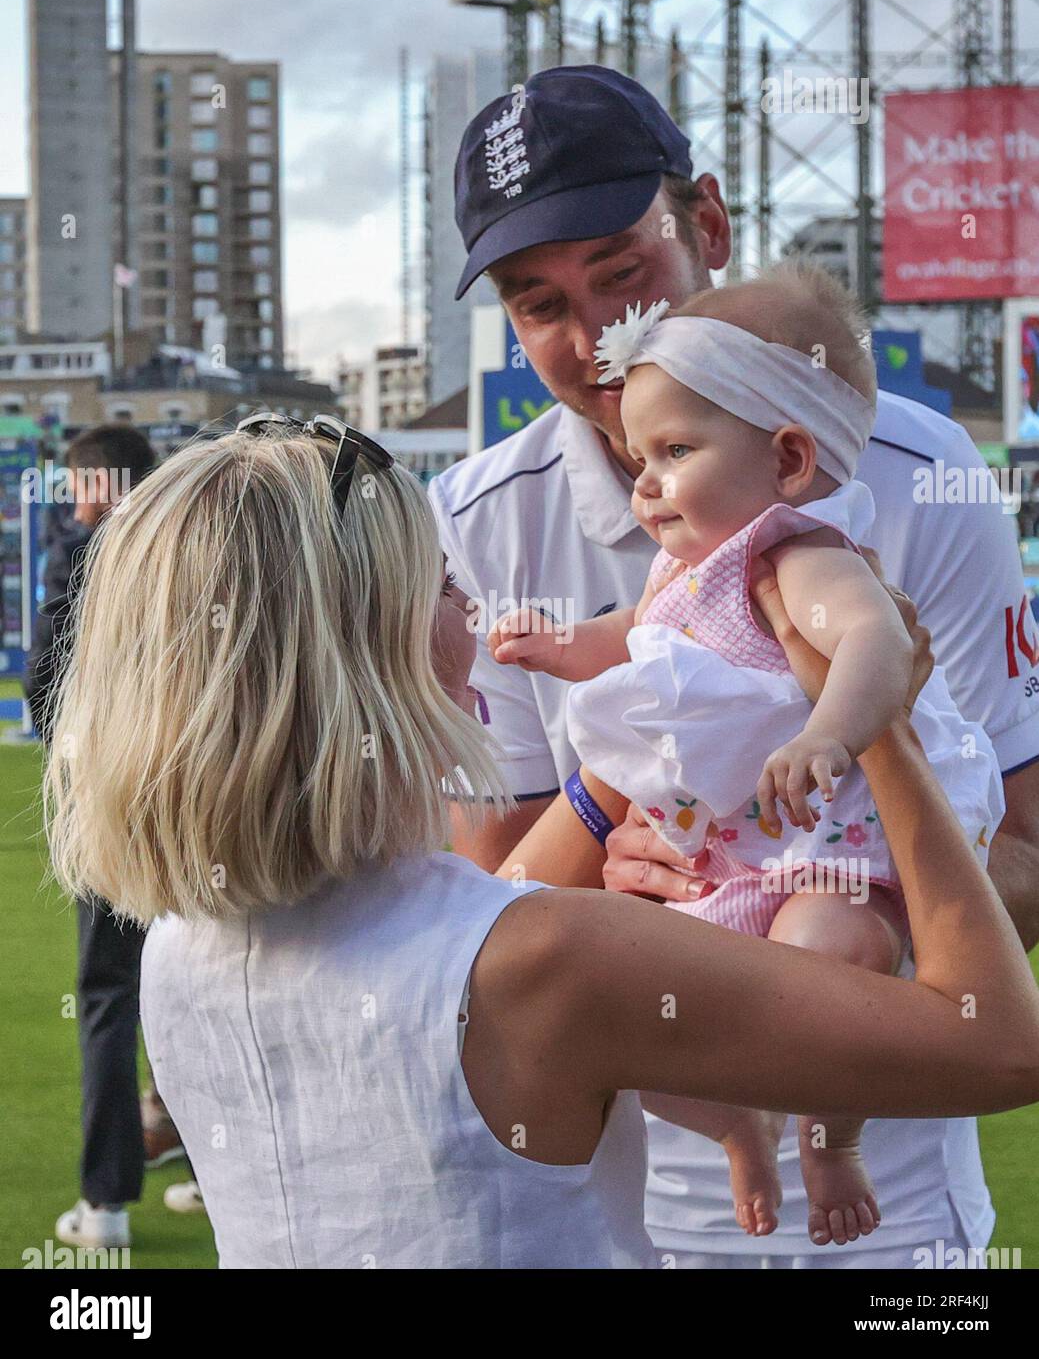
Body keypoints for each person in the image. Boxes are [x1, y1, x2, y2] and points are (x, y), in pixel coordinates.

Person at [39, 414, 1039, 1268]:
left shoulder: (178, 948)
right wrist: (878, 722)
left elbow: (455, 928)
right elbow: (994, 1043)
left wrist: (656, 710)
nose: (469, 612)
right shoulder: (546, 958)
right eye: (435, 587)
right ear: (350, 651)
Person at [432, 63, 1039, 1268]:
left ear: (707, 224)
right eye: (536, 303)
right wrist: (617, 849)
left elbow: (1026, 856)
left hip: (880, 1209)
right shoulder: (476, 520)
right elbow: (476, 909)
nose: (594, 338)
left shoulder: (923, 477)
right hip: (597, 1198)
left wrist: (833, 861)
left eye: (621, 272)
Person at [489, 265, 1004, 1247]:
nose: (644, 480)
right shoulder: (682, 570)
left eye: (674, 450)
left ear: (790, 458)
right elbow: (624, 632)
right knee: (633, 1022)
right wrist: (554, 647)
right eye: (639, 454)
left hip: (827, 851)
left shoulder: (799, 553)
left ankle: (829, 1136)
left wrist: (827, 732)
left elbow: (874, 645)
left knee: (832, 958)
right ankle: (739, 1127)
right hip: (728, 864)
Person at [23, 424, 182, 1249]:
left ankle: (108, 1203)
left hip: (116, 811)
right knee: (214, 974)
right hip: (207, 806)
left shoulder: (84, 559)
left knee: (110, 995)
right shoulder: (197, 550)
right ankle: (207, 1165)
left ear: (90, 487)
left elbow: (43, 682)